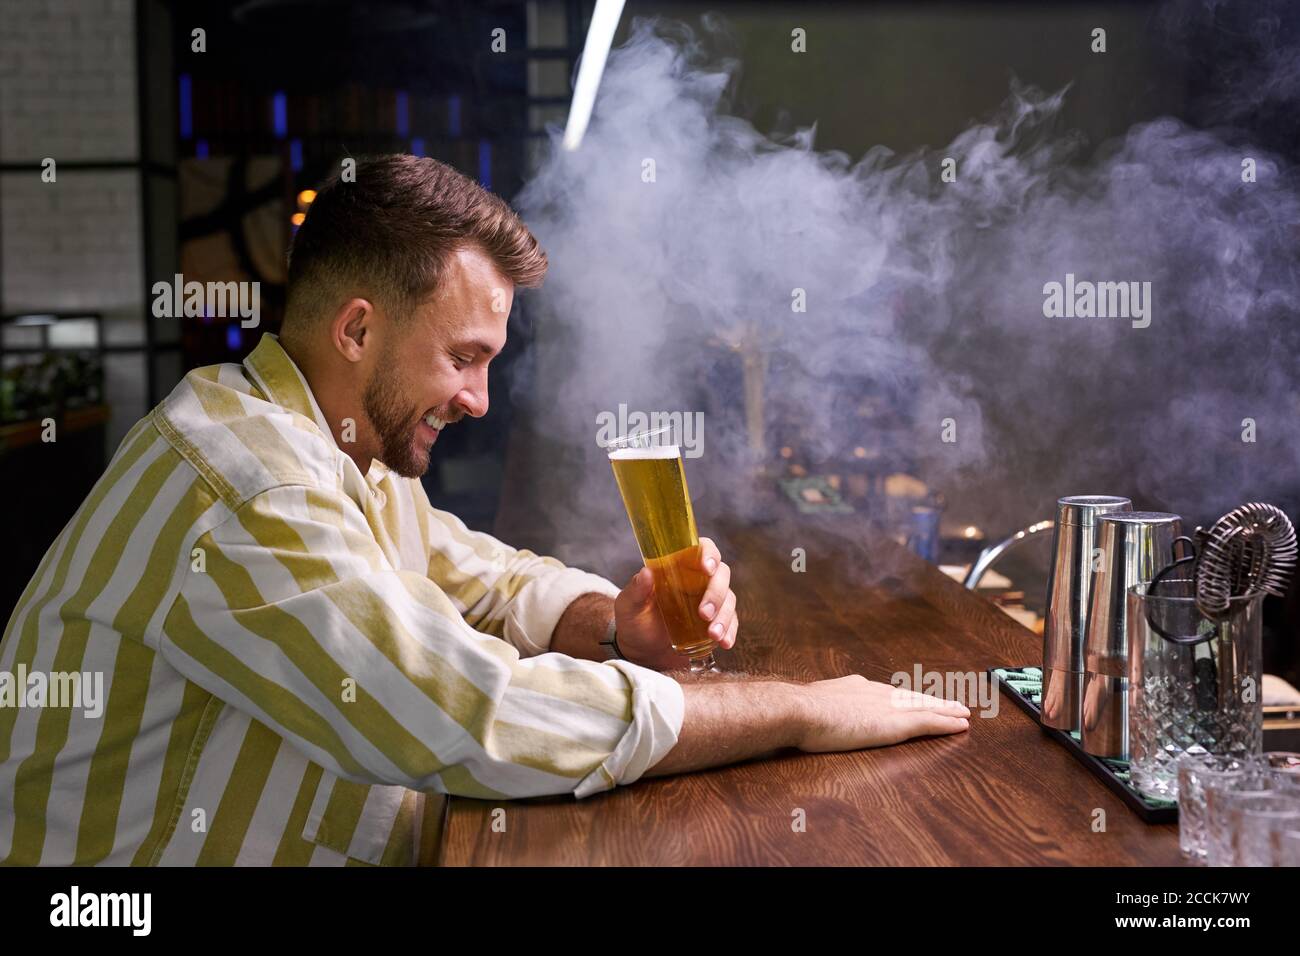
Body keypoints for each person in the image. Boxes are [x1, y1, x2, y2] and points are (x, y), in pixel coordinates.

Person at [0, 155, 968, 867]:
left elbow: (482, 576)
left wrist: (612, 626)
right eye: (464, 356)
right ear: (358, 328)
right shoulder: (253, 484)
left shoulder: (337, 448)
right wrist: (799, 708)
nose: (479, 398)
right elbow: (473, 716)